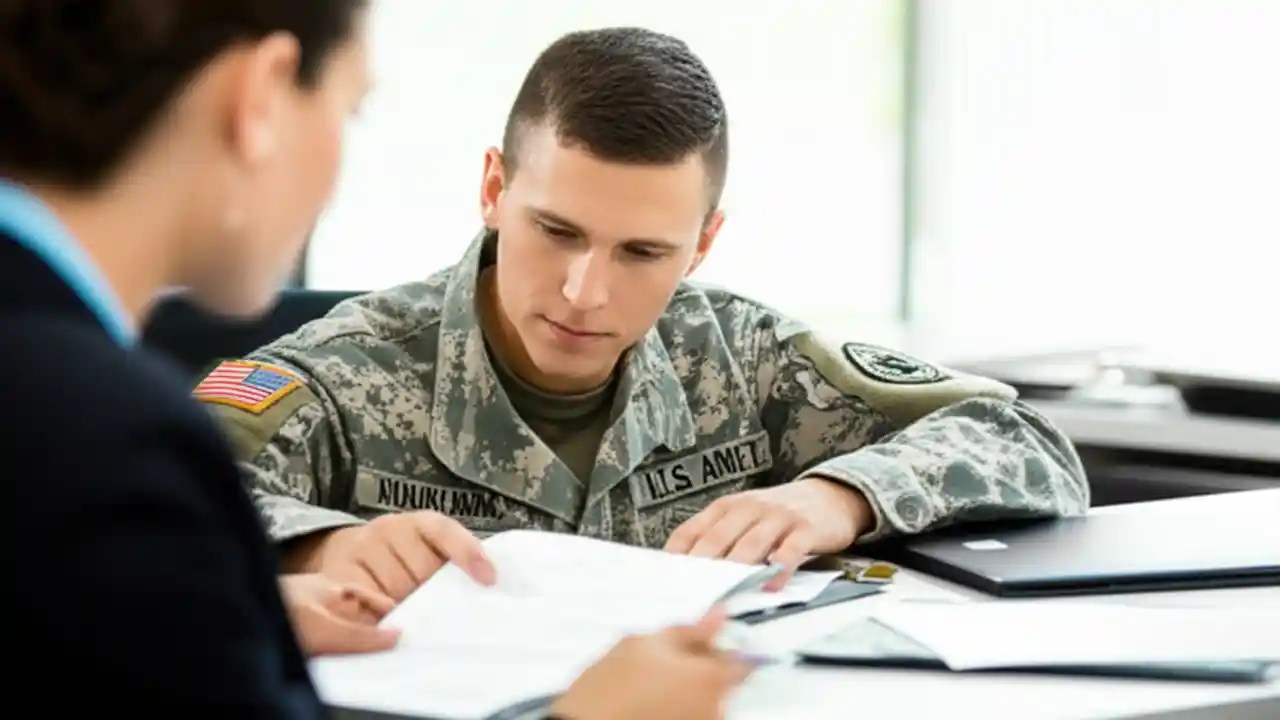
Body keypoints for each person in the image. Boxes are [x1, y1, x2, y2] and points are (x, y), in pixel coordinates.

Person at [3, 2, 746, 715]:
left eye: (643, 252)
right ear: (261, 96)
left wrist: (252, 608)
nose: (585, 293)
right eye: (349, 108)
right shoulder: (105, 443)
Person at [197, 26, 1092, 604]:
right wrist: (314, 551)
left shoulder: (742, 357)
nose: (587, 291)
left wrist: (839, 497)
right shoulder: (351, 373)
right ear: (494, 190)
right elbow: (145, 503)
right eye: (556, 231)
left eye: (643, 253)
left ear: (702, 244)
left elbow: (1026, 442)